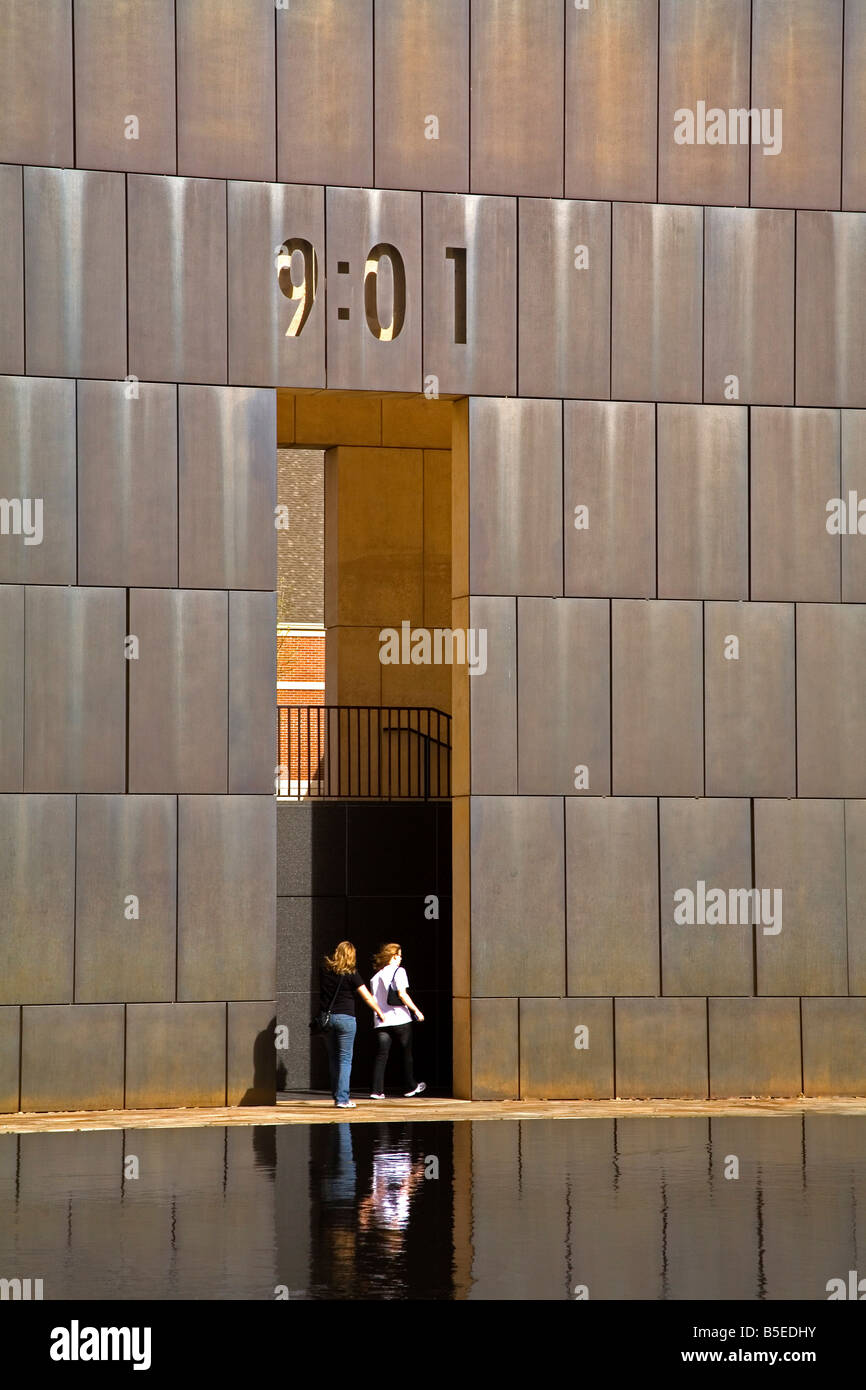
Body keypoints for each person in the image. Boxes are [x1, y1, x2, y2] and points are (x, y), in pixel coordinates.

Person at [320, 941, 384, 1108]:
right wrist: (379, 1011)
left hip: (327, 1020)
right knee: (345, 1060)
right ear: (352, 956)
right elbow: (367, 996)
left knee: (333, 1060)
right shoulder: (352, 973)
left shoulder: (325, 970)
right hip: (346, 1019)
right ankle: (342, 1099)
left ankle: (337, 1096)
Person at [368, 943, 426, 1099]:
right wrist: (416, 1010)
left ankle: (377, 1090)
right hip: (400, 1018)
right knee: (406, 1053)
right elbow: (402, 994)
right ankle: (410, 1086)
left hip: (382, 1021)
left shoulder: (376, 976)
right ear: (393, 956)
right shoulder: (399, 972)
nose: (401, 958)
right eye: (399, 955)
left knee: (381, 1056)